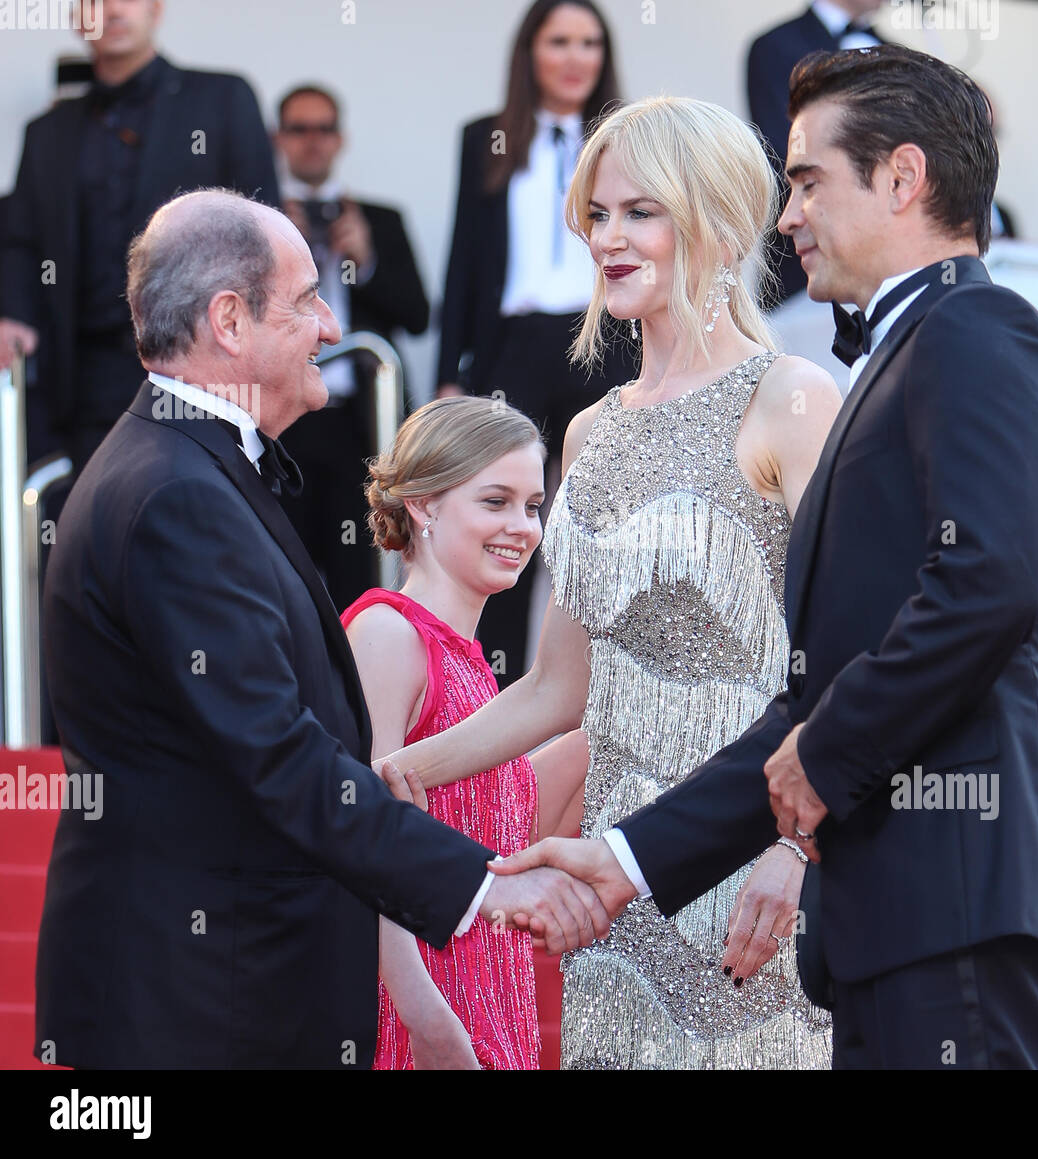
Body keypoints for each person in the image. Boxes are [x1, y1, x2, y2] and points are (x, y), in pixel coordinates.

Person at [490, 46, 1038, 1070]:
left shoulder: (979, 330)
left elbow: (984, 589)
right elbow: (820, 694)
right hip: (886, 916)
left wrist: (812, 772)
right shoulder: (897, 360)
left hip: (958, 893)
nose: (786, 216)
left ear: (902, 179)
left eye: (806, 180)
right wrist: (624, 859)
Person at [33, 189, 608, 1069]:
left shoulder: (185, 469)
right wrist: (481, 886)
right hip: (196, 1005)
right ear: (230, 320)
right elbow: (280, 758)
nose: (332, 328)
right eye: (306, 301)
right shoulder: (178, 492)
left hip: (213, 991)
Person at [382, 96, 843, 1069]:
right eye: (597, 213)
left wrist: (795, 848)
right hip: (615, 891)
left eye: (641, 211)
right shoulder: (591, 432)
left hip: (753, 876)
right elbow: (557, 690)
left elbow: (849, 658)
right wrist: (395, 776)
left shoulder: (790, 399)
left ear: (714, 217)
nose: (609, 238)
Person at [343, 396, 557, 1070]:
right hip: (428, 1012)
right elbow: (362, 837)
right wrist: (421, 1012)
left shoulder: (481, 671)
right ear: (424, 505)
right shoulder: (386, 632)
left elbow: (507, 831)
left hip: (496, 995)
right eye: (495, 501)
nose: (521, 527)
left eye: (532, 504)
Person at [436, 0, 636, 687]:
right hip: (513, 350)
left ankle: (606, 689)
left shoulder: (628, 143)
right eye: (560, 41)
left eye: (590, 42)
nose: (576, 56)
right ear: (531, 53)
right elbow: (463, 259)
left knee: (603, 526)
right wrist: (448, 376)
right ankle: (486, 698)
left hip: (605, 345)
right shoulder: (486, 137)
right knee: (506, 523)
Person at [0, 0, 280, 472]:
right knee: (86, 521)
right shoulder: (46, 132)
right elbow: (20, 241)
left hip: (202, 364)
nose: (108, 10)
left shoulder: (222, 98)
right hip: (83, 376)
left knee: (199, 516)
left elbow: (263, 226)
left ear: (156, 8)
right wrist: (13, 315)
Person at [273, 83, 432, 610]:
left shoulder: (379, 221)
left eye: (324, 129)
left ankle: (364, 688)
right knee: (281, 571)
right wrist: (278, 248)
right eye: (299, 129)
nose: (312, 142)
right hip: (285, 420)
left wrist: (365, 260)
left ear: (340, 139)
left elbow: (417, 314)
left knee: (360, 573)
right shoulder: (261, 223)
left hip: (361, 426)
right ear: (279, 139)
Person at [746, 1, 887, 307]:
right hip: (802, 269)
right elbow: (784, 154)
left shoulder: (892, 51)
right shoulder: (775, 46)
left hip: (882, 267)